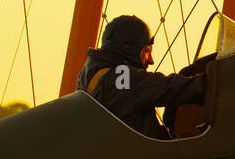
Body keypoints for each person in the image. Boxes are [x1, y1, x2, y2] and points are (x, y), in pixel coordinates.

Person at [76, 15, 209, 140]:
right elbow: (169, 87)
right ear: (129, 49)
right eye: (146, 51)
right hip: (139, 158)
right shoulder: (120, 79)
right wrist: (211, 82)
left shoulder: (90, 72)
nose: (151, 60)